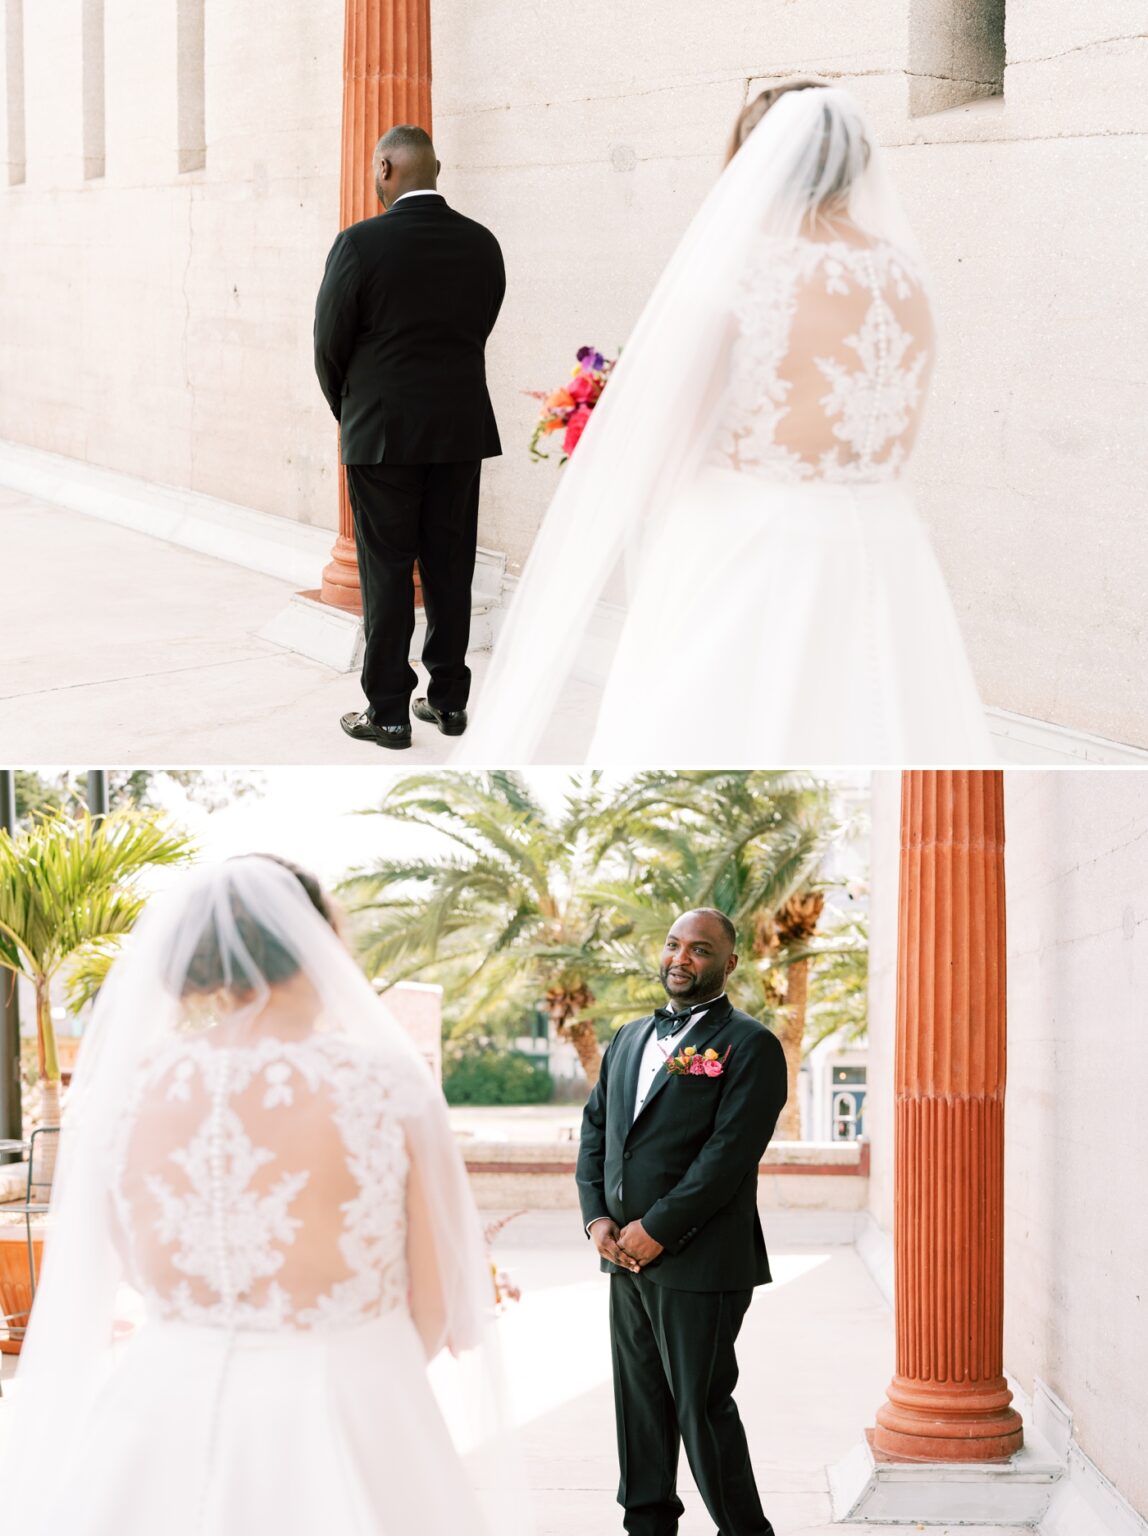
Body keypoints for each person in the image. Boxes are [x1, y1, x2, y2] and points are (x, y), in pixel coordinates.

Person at [457, 82, 994, 765]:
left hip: (752, 550)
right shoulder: (905, 275)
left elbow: (663, 444)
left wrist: (611, 430)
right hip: (887, 550)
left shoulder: (744, 271)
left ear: (754, 161)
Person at [2, 856, 527, 1536]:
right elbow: (434, 1304)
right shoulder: (384, 1083)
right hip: (348, 1406)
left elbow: (127, 1264)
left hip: (161, 1410)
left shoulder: (121, 1093)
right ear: (318, 941)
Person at [576, 908, 788, 1536]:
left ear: (729, 962)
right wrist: (599, 1223)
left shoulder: (750, 1045)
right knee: (639, 1404)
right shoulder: (628, 1037)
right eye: (673, 945)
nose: (680, 959)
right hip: (623, 1256)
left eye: (699, 949)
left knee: (700, 1409)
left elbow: (726, 1158)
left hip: (700, 1261)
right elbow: (595, 1131)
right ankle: (646, 1526)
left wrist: (656, 1229)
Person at [314, 125, 506, 750]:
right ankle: (448, 703)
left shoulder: (359, 244)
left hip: (382, 434)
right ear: (438, 169)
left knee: (387, 570)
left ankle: (390, 713)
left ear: (387, 168)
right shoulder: (482, 244)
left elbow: (328, 346)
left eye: (376, 169)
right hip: (458, 430)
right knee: (451, 565)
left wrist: (352, 408)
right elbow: (480, 326)